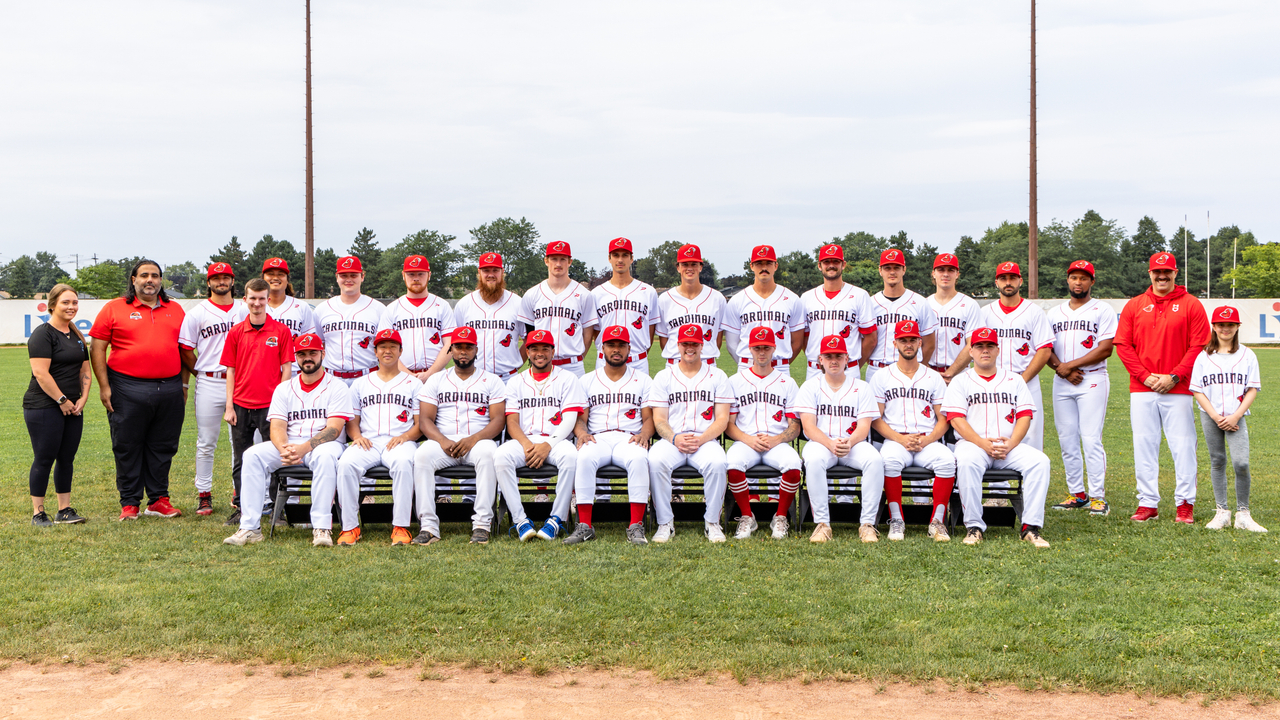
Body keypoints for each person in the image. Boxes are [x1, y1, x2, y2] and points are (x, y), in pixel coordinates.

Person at [223, 333, 353, 547]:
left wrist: (303, 449)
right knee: (252, 455)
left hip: (324, 445)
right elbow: (277, 427)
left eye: (312, 353)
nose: (307, 358)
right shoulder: (284, 388)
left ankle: (321, 526)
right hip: (290, 445)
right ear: (296, 357)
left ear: (323, 353)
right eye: (302, 354)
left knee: (326, 456)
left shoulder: (336, 386)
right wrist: (284, 449)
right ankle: (250, 527)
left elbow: (334, 428)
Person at [1113, 252, 1209, 523]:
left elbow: (1198, 346)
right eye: (1157, 271)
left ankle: (1185, 503)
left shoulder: (1191, 304)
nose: (1162, 276)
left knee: (1183, 446)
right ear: (1150, 273)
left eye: (1167, 271)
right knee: (1144, 444)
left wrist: (1175, 376)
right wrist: (1145, 376)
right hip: (1142, 388)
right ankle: (1147, 503)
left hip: (1178, 389)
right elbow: (1123, 345)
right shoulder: (1135, 305)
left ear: (1175, 273)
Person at [89, 259, 188, 521]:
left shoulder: (175, 310)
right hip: (126, 387)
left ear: (161, 281)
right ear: (133, 280)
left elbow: (185, 350)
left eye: (155, 276)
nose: (150, 280)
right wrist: (104, 386)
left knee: (163, 446)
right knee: (127, 445)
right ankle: (130, 502)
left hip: (169, 387)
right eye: (144, 275)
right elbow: (97, 348)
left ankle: (158, 500)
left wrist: (185, 384)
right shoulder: (114, 308)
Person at [941, 328, 1052, 548]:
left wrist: (1011, 444)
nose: (985, 351)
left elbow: (1024, 416)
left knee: (1040, 462)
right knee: (966, 462)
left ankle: (1030, 527)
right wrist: (982, 444)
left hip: (1007, 446)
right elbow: (956, 420)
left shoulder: (1014, 380)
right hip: (973, 444)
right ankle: (974, 526)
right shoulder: (960, 381)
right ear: (970, 351)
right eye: (979, 346)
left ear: (997, 350)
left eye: (989, 346)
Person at [415, 327, 510, 544]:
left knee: (489, 455)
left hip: (479, 441)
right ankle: (428, 526)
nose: (463, 351)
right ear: (451, 350)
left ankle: (482, 525)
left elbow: (498, 421)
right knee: (421, 457)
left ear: (477, 350)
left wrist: (473, 439)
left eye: (468, 347)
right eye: (458, 347)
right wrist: (442, 440)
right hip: (443, 441)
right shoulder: (436, 380)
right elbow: (425, 420)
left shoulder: (492, 380)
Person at [495, 330, 587, 541]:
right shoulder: (516, 382)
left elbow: (570, 419)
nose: (539, 353)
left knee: (571, 456)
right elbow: (511, 422)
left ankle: (556, 519)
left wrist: (548, 444)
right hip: (524, 440)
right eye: (534, 348)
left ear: (553, 351)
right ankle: (520, 521)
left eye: (545, 348)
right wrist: (527, 444)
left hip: (556, 440)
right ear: (527, 352)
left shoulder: (567, 378)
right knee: (500, 456)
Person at [567, 325, 655, 545]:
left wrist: (645, 433)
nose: (616, 350)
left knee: (638, 458)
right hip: (598, 437)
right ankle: (585, 525)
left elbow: (649, 418)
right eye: (611, 345)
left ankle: (636, 525)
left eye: (621, 345)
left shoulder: (643, 379)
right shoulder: (587, 380)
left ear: (628, 348)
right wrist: (581, 433)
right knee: (585, 457)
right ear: (602, 348)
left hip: (629, 437)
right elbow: (579, 418)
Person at [646, 324, 734, 543]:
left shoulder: (718, 376)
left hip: (704, 439)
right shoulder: (664, 377)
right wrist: (674, 438)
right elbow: (659, 419)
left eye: (694, 343)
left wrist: (701, 439)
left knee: (717, 463)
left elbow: (722, 418)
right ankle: (665, 523)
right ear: (678, 346)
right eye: (686, 344)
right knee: (655, 460)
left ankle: (712, 522)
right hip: (672, 440)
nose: (690, 348)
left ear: (702, 346)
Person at [869, 320, 955, 542]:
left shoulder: (933, 376)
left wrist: (927, 441)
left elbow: (944, 418)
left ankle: (937, 522)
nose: (908, 344)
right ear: (895, 342)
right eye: (903, 340)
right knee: (888, 461)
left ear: (920, 342)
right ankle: (896, 521)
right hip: (896, 440)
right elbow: (875, 419)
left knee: (947, 461)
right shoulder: (882, 376)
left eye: (912, 340)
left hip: (927, 440)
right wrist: (900, 439)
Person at [335, 329, 423, 546]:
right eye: (383, 347)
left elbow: (421, 424)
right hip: (369, 441)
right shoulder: (360, 383)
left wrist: (406, 436)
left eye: (393, 346)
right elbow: (352, 421)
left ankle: (401, 527)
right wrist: (356, 436)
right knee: (346, 463)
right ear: (375, 352)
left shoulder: (414, 384)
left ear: (401, 351)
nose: (387, 351)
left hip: (401, 440)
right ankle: (350, 527)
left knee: (403, 464)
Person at [218, 278, 293, 527]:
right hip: (241, 404)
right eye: (253, 298)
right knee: (241, 459)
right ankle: (242, 508)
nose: (257, 303)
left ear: (268, 300)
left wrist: (281, 404)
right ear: (245, 300)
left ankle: (277, 510)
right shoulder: (236, 332)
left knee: (276, 458)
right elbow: (230, 371)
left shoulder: (281, 332)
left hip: (270, 407)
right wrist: (229, 406)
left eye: (262, 298)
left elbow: (286, 370)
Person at [795, 335, 884, 543]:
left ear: (847, 358)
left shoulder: (861, 387)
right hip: (820, 443)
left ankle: (867, 524)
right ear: (821, 360)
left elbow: (864, 426)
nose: (833, 360)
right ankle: (822, 524)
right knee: (814, 460)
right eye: (829, 356)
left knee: (875, 460)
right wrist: (830, 443)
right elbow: (808, 426)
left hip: (853, 443)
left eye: (838, 356)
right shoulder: (810, 386)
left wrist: (850, 443)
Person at [1046, 261, 1116, 516]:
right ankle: (1077, 494)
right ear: (1068, 280)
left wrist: (1069, 366)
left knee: (1090, 438)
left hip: (1093, 379)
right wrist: (1060, 369)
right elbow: (1046, 348)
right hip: (1062, 380)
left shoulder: (1102, 309)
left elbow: (1105, 348)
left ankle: (1098, 497)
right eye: (1074, 277)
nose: (1078, 282)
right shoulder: (1054, 313)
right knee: (1067, 439)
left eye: (1084, 278)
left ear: (1092, 282)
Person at [178, 262, 248, 515]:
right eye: (216, 278)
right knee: (206, 442)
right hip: (209, 380)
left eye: (225, 277)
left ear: (232, 280)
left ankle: (239, 492)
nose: (221, 282)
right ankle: (204, 494)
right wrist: (201, 373)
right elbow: (185, 348)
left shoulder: (245, 308)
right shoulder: (197, 312)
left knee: (240, 442)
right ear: (208, 283)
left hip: (241, 381)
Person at [1189, 306, 1264, 532]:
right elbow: (1197, 389)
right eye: (1221, 324)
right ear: (1214, 326)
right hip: (1210, 416)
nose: (1225, 328)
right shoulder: (1204, 356)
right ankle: (1222, 512)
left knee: (1241, 462)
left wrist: (1235, 416)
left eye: (1230, 324)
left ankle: (1243, 513)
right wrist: (1215, 416)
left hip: (1237, 417)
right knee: (1217, 461)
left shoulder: (1247, 354)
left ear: (1237, 327)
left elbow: (1252, 388)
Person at [724, 327, 802, 540]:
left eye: (766, 348)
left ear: (773, 349)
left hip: (776, 443)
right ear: (750, 349)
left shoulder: (787, 382)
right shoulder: (735, 381)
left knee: (794, 466)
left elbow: (795, 425)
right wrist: (747, 439)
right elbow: (728, 424)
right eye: (757, 348)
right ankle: (747, 516)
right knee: (732, 465)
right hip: (745, 440)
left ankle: (780, 516)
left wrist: (778, 439)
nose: (761, 352)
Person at [25, 283, 90, 526]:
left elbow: (86, 370)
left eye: (74, 302)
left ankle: (64, 510)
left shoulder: (76, 335)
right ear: (53, 305)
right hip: (43, 406)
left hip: (73, 407)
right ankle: (38, 513)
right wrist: (61, 400)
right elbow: (41, 373)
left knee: (66, 458)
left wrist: (82, 398)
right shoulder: (43, 333)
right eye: (65, 302)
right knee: (44, 457)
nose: (71, 306)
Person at [976, 262, 1054, 451]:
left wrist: (1022, 379)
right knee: (993, 434)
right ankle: (997, 482)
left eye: (1012, 278)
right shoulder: (985, 313)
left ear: (1021, 280)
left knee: (1032, 438)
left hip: (1027, 381)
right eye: (1003, 278)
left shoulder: (1034, 312)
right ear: (996, 282)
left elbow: (1044, 349)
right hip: (992, 382)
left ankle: (1030, 480)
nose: (1008, 282)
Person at [517, 242, 599, 377]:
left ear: (570, 261)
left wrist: (578, 357)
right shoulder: (532, 294)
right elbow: (529, 334)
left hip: (573, 366)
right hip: (542, 365)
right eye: (554, 259)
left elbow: (588, 333)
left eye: (563, 259)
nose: (558, 264)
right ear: (546, 261)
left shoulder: (583, 294)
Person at [799, 244, 876, 381]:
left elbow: (870, 338)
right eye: (826, 262)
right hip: (815, 370)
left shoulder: (860, 295)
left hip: (848, 369)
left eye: (836, 261)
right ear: (819, 265)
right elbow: (804, 337)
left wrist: (854, 365)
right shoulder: (806, 297)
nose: (831, 265)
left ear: (843, 264)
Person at [723, 245, 804, 374]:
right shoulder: (738, 300)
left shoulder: (792, 299)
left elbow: (797, 342)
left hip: (780, 367)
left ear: (776, 266)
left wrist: (781, 362)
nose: (764, 268)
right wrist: (751, 363)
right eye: (759, 263)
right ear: (751, 266)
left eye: (768, 263)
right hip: (747, 367)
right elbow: (731, 344)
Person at [379, 255, 456, 381]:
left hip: (437, 376)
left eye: (421, 274)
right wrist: (406, 374)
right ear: (403, 275)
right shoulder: (392, 309)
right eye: (411, 274)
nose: (416, 278)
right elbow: (385, 348)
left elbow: (450, 345)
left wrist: (430, 373)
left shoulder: (442, 306)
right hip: (400, 377)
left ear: (429, 275)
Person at [867, 249, 938, 382]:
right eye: (887, 268)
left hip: (911, 371)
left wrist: (916, 367)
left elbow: (929, 344)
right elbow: (864, 341)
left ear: (904, 270)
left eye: (896, 268)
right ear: (880, 270)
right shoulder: (870, 303)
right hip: (877, 369)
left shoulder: (920, 302)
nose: (892, 272)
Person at [314, 255, 387, 385]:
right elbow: (320, 345)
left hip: (368, 377)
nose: (348, 280)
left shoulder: (378, 308)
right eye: (344, 275)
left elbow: (385, 347)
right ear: (337, 278)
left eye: (353, 275)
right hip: (332, 379)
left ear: (362, 277)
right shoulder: (322, 310)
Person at [453, 253, 527, 381]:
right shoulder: (464, 304)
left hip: (508, 379)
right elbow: (454, 343)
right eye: (486, 270)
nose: (491, 274)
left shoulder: (517, 303)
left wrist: (515, 365)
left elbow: (529, 340)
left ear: (502, 272)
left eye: (495, 270)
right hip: (473, 378)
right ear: (479, 273)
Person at [591, 238, 660, 374]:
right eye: (616, 255)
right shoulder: (596, 294)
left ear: (631, 258)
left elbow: (649, 331)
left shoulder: (648, 292)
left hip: (637, 362)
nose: (620, 260)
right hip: (605, 362)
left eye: (625, 255)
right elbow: (596, 331)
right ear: (609, 258)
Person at [656, 244, 727, 366]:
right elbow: (664, 339)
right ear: (678, 267)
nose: (689, 268)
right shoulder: (665, 299)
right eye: (685, 264)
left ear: (700, 267)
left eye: (694, 264)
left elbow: (718, 338)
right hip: (675, 365)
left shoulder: (717, 298)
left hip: (707, 364)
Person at [926, 253, 981, 382]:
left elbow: (973, 343)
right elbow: (917, 343)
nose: (946, 274)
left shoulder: (969, 304)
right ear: (933, 273)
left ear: (957, 274)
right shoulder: (924, 304)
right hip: (928, 373)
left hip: (961, 374)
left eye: (951, 270)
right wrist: (928, 370)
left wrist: (950, 372)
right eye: (941, 270)